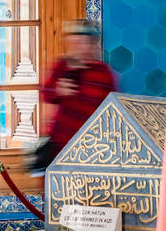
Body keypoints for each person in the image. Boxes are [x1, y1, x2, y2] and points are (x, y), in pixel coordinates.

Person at [28, 20, 118, 174]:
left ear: (91, 44)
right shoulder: (61, 67)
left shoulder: (103, 72)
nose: (78, 46)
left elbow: (113, 109)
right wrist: (58, 90)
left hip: (93, 146)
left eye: (82, 42)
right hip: (62, 146)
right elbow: (46, 94)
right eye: (74, 42)